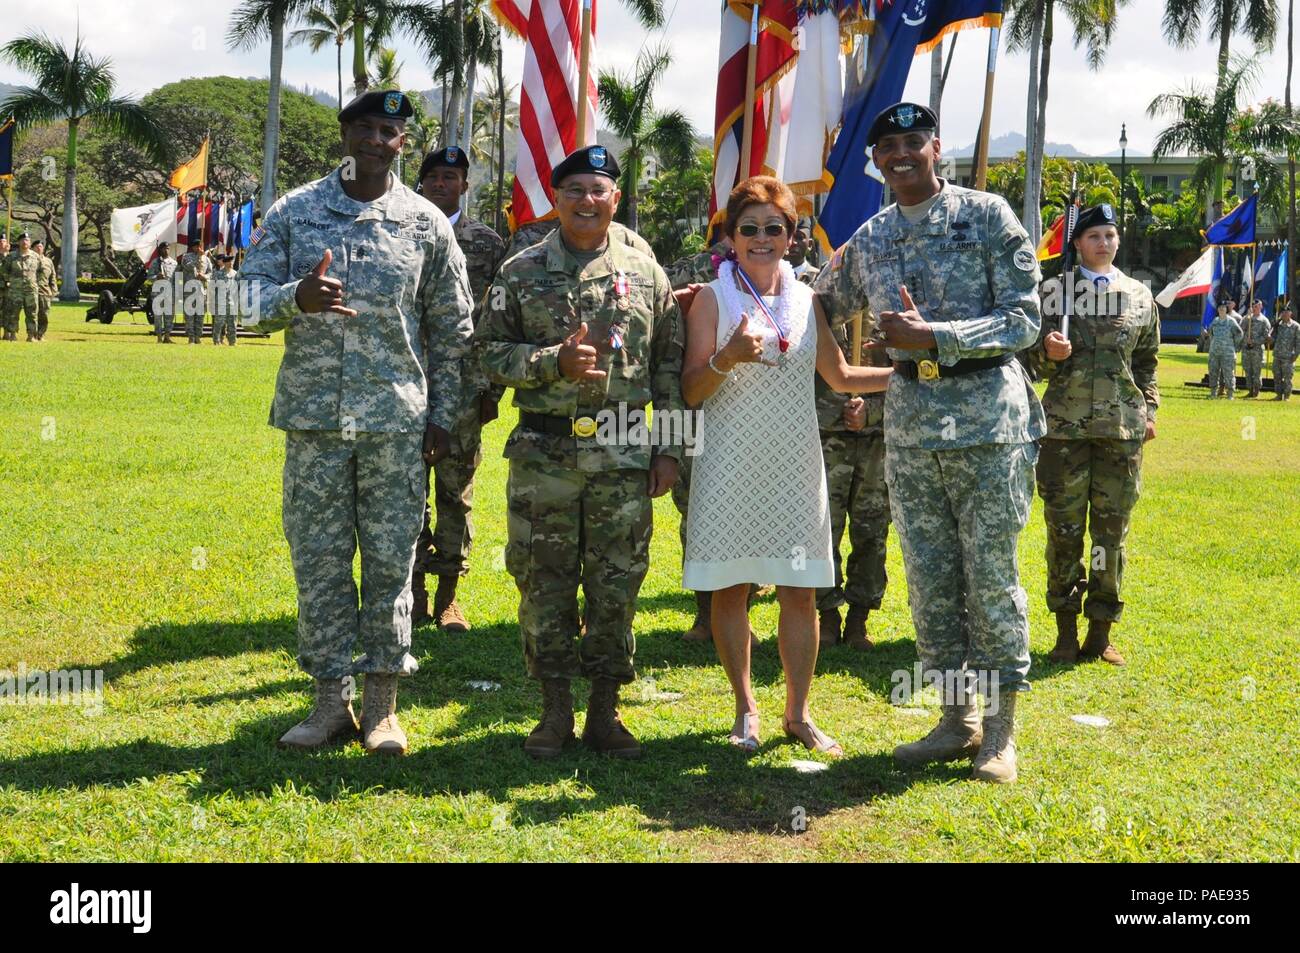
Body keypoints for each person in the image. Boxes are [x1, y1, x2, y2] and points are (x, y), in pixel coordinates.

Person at [239, 89, 474, 756]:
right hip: (315, 423)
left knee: (391, 564)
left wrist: (443, 419)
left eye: (391, 131)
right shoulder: (296, 212)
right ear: (345, 134)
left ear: (403, 143)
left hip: (395, 425)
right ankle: (326, 703)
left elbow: (453, 331)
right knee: (317, 561)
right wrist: (296, 297)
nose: (377, 140)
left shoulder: (427, 223)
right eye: (366, 127)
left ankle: (381, 707)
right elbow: (243, 299)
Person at [815, 102, 1044, 784]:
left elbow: (1026, 319)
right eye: (889, 147)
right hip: (912, 430)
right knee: (932, 580)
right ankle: (955, 717)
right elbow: (815, 304)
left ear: (936, 147)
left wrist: (939, 337)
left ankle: (1001, 733)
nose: (902, 154)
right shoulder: (872, 237)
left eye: (914, 141)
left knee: (991, 579)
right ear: (876, 160)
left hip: (986, 426)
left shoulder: (987, 216)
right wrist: (720, 294)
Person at [477, 144, 684, 760]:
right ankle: (553, 711)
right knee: (543, 582)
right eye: (575, 191)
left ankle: (606, 712)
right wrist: (549, 362)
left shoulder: (647, 273)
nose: (588, 202)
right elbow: (484, 353)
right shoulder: (520, 271)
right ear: (556, 200)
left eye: (599, 190)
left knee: (616, 584)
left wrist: (668, 450)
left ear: (615, 198)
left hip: (623, 451)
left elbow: (669, 364)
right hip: (545, 454)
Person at [682, 175, 891, 757]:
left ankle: (797, 713)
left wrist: (918, 374)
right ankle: (745, 708)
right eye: (748, 228)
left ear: (791, 236)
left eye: (774, 227)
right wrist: (726, 357)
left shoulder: (805, 300)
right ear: (730, 236)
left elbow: (842, 377)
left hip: (796, 468)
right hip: (730, 466)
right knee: (733, 589)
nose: (761, 238)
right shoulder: (711, 297)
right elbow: (692, 390)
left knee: (800, 591)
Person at [1032, 203, 1159, 667]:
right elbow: (1029, 364)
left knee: (1110, 536)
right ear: (1077, 244)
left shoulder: (1140, 296)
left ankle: (1100, 632)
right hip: (1063, 434)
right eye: (1093, 236)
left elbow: (1147, 362)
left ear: (1117, 241)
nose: (1102, 243)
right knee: (1064, 533)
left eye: (1109, 235)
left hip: (1120, 432)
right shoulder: (1054, 294)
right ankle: (1065, 630)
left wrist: (1149, 411)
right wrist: (1050, 352)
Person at [411, 146, 507, 631]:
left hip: (465, 385)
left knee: (455, 492)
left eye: (452, 177)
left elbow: (495, 322)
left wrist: (490, 390)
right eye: (434, 176)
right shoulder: (401, 229)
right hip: (406, 379)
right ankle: (412, 593)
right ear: (421, 181)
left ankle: (448, 595)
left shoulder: (486, 243)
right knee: (406, 491)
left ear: (465, 186)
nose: (441, 183)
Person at [815, 318, 892, 651]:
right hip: (825, 434)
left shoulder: (891, 301)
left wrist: (872, 411)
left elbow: (912, 376)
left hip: (877, 440)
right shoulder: (820, 299)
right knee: (820, 531)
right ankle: (827, 614)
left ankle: (860, 617)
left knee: (871, 532)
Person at [3, 233, 41, 343]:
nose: (25, 242)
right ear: (19, 242)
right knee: (13, 312)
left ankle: (31, 335)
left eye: (27, 240)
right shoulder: (11, 256)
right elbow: (4, 270)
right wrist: (8, 281)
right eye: (23, 240)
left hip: (31, 289)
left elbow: (39, 272)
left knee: (32, 313)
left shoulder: (35, 256)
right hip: (16, 289)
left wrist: (34, 282)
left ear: (29, 243)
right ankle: (13, 334)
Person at [1205, 302, 1242, 398]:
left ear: (1226, 309)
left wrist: (1235, 346)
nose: (1221, 309)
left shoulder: (1231, 321)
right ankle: (1213, 393)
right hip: (1214, 352)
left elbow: (1239, 334)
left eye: (1223, 308)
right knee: (1213, 372)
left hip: (1228, 353)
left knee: (1229, 373)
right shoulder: (1215, 321)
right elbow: (1210, 333)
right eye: (1220, 308)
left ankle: (1230, 394)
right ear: (1217, 310)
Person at [179, 240, 212, 344]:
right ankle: (191, 337)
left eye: (200, 246)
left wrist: (205, 277)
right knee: (189, 315)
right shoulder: (186, 257)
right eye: (196, 246)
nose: (199, 248)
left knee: (200, 315)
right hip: (189, 291)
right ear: (193, 247)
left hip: (202, 291)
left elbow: (211, 273)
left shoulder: (206, 259)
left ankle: (198, 336)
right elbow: (187, 266)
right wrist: (198, 257)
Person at [146, 243, 178, 343]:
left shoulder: (174, 263)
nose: (166, 250)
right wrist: (156, 277)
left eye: (167, 248)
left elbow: (176, 279)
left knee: (169, 316)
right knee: (158, 316)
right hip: (158, 293)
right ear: (160, 250)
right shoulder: (155, 262)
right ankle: (159, 337)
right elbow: (149, 277)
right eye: (163, 248)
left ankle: (167, 337)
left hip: (170, 293)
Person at [1240, 300, 1271, 398]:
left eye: (1257, 306)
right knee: (1247, 370)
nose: (1254, 308)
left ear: (1261, 307)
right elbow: (1241, 329)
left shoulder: (1264, 320)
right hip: (1246, 350)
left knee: (1256, 371)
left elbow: (1266, 337)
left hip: (1257, 351)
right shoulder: (1247, 319)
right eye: (1253, 306)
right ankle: (1250, 389)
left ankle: (1256, 390)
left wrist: (1254, 342)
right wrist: (1246, 317)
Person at [209, 253, 239, 346]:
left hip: (232, 303)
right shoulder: (218, 274)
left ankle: (232, 342)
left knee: (232, 324)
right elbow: (212, 288)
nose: (231, 263)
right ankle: (216, 341)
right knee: (219, 323)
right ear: (225, 263)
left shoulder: (235, 274)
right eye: (229, 262)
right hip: (220, 302)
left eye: (231, 262)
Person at [32, 239, 57, 341]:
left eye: (41, 246)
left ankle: (41, 334)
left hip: (44, 292)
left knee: (44, 315)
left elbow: (53, 277)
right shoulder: (29, 259)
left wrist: (53, 290)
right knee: (32, 315)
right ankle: (32, 334)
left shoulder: (48, 261)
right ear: (32, 248)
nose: (39, 248)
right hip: (31, 291)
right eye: (37, 246)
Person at [1272, 305, 1299, 400]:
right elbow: (1273, 338)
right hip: (1277, 355)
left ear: (1290, 314)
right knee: (1277, 377)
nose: (1285, 315)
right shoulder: (1277, 325)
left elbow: (1298, 342)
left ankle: (1287, 396)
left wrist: (1296, 355)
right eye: (1283, 313)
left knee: (1288, 378)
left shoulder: (1295, 326)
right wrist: (1269, 337)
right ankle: (1278, 395)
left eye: (1287, 313)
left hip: (1288, 357)